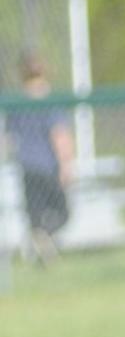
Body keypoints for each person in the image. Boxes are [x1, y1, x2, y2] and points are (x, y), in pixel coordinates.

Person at [6, 51, 74, 265]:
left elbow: (9, 138)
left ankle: (41, 242)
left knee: (34, 215)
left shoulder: (17, 103)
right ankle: (45, 235)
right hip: (47, 166)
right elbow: (59, 135)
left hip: (27, 166)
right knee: (63, 213)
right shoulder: (50, 101)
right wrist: (66, 164)